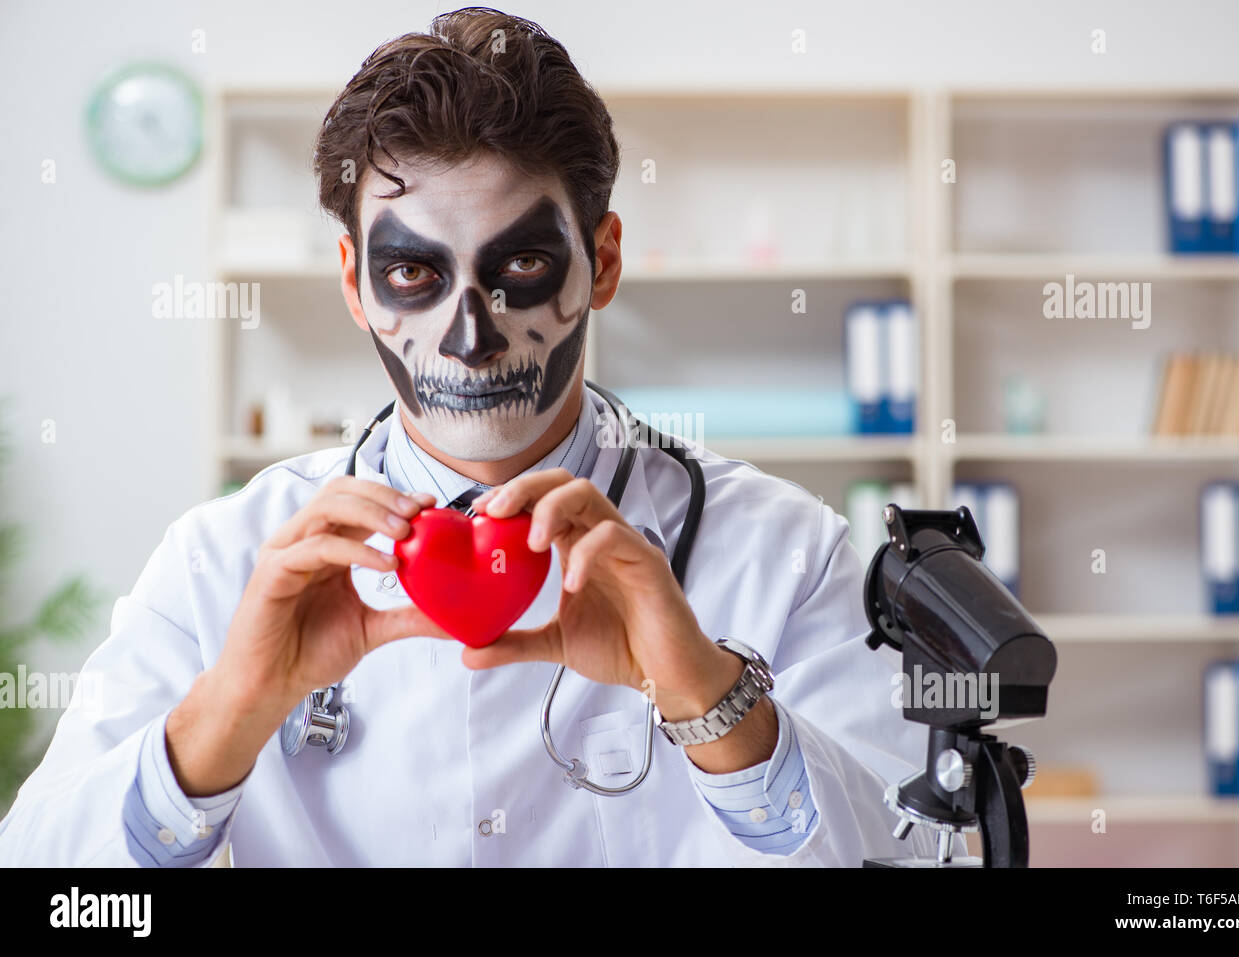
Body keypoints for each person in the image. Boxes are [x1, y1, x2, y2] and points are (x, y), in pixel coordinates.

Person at [0, 6, 939, 867]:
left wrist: (713, 701)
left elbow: (917, 850)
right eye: (413, 273)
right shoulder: (221, 561)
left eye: (522, 263)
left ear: (602, 259)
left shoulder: (785, 551)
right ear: (354, 281)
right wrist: (228, 712)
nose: (470, 338)